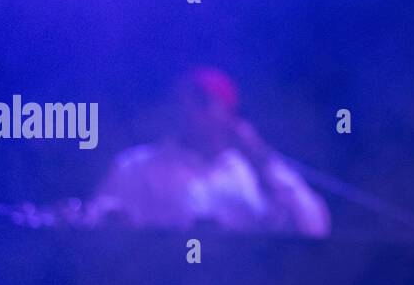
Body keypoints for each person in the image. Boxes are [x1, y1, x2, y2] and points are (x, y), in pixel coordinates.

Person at [87, 65, 331, 238]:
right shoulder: (137, 166)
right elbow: (98, 228)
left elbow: (314, 228)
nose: (190, 109)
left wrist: (264, 161)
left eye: (203, 101)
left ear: (231, 115)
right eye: (184, 100)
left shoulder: (252, 173)